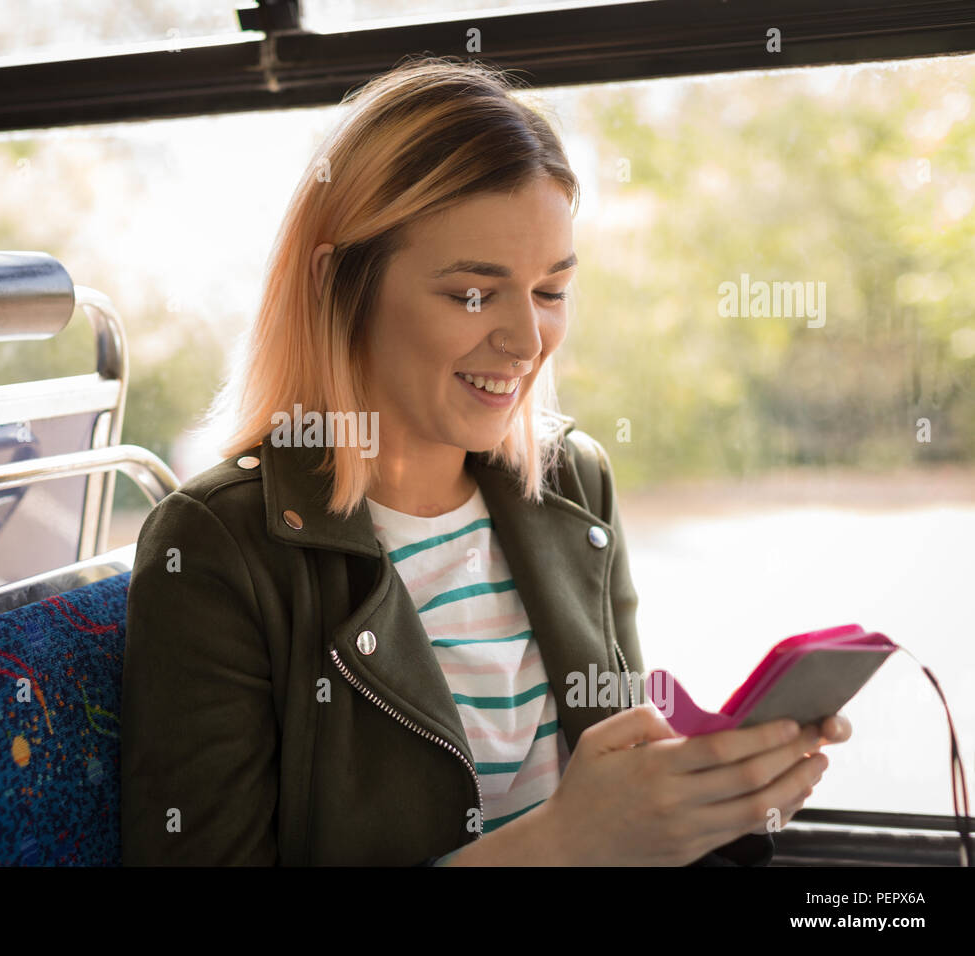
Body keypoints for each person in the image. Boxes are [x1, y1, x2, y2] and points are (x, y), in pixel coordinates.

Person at [120, 55, 850, 866]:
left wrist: (718, 790)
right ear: (336, 287)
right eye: (473, 292)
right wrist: (565, 844)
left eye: (550, 291)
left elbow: (624, 790)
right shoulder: (217, 548)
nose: (527, 340)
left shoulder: (574, 482)